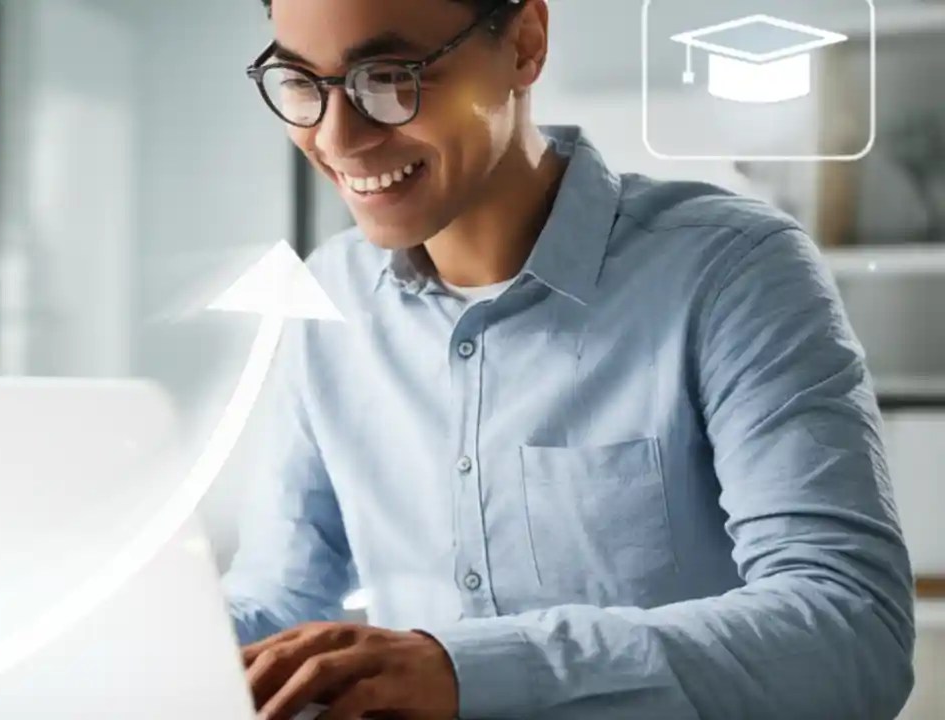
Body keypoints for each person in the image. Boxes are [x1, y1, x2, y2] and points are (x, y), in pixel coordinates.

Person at [220, 1, 916, 718]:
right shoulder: (329, 296)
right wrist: (159, 639)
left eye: (391, 76)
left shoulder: (732, 269)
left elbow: (851, 629)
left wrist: (462, 671)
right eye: (300, 82)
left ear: (525, 44)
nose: (336, 137)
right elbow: (282, 598)